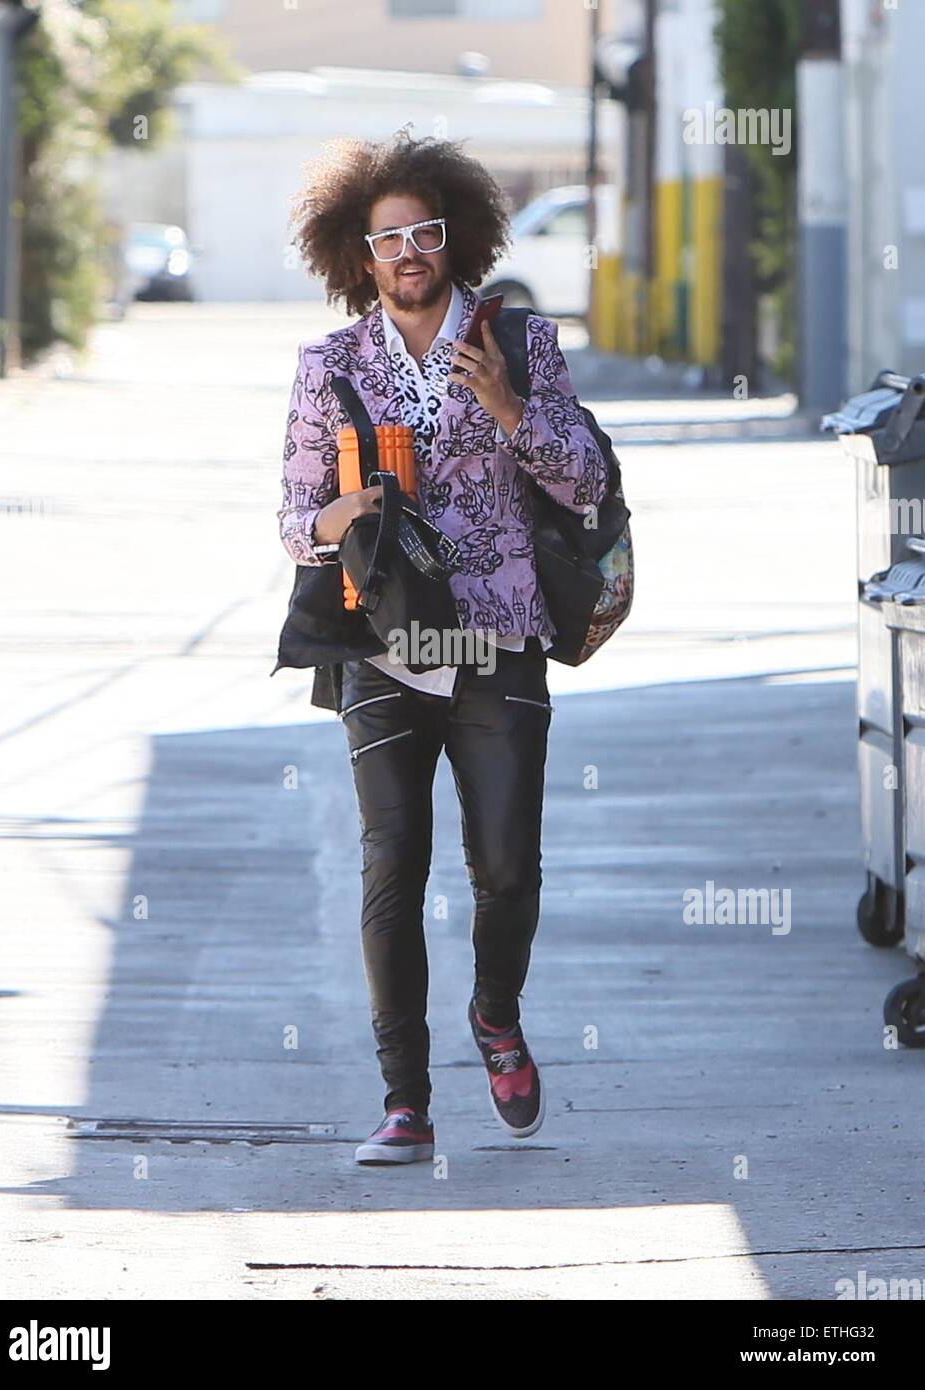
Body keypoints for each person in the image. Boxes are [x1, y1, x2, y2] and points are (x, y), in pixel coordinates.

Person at [278, 128, 611, 1164]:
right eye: (388, 239)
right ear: (358, 255)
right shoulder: (330, 367)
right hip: (381, 641)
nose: (409, 251)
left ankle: (497, 1012)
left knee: (506, 865)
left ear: (454, 237)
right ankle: (406, 1100)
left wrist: (508, 409)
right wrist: (350, 511)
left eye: (425, 232)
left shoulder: (522, 345)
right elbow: (295, 520)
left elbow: (586, 485)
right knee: (392, 867)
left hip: (499, 635)